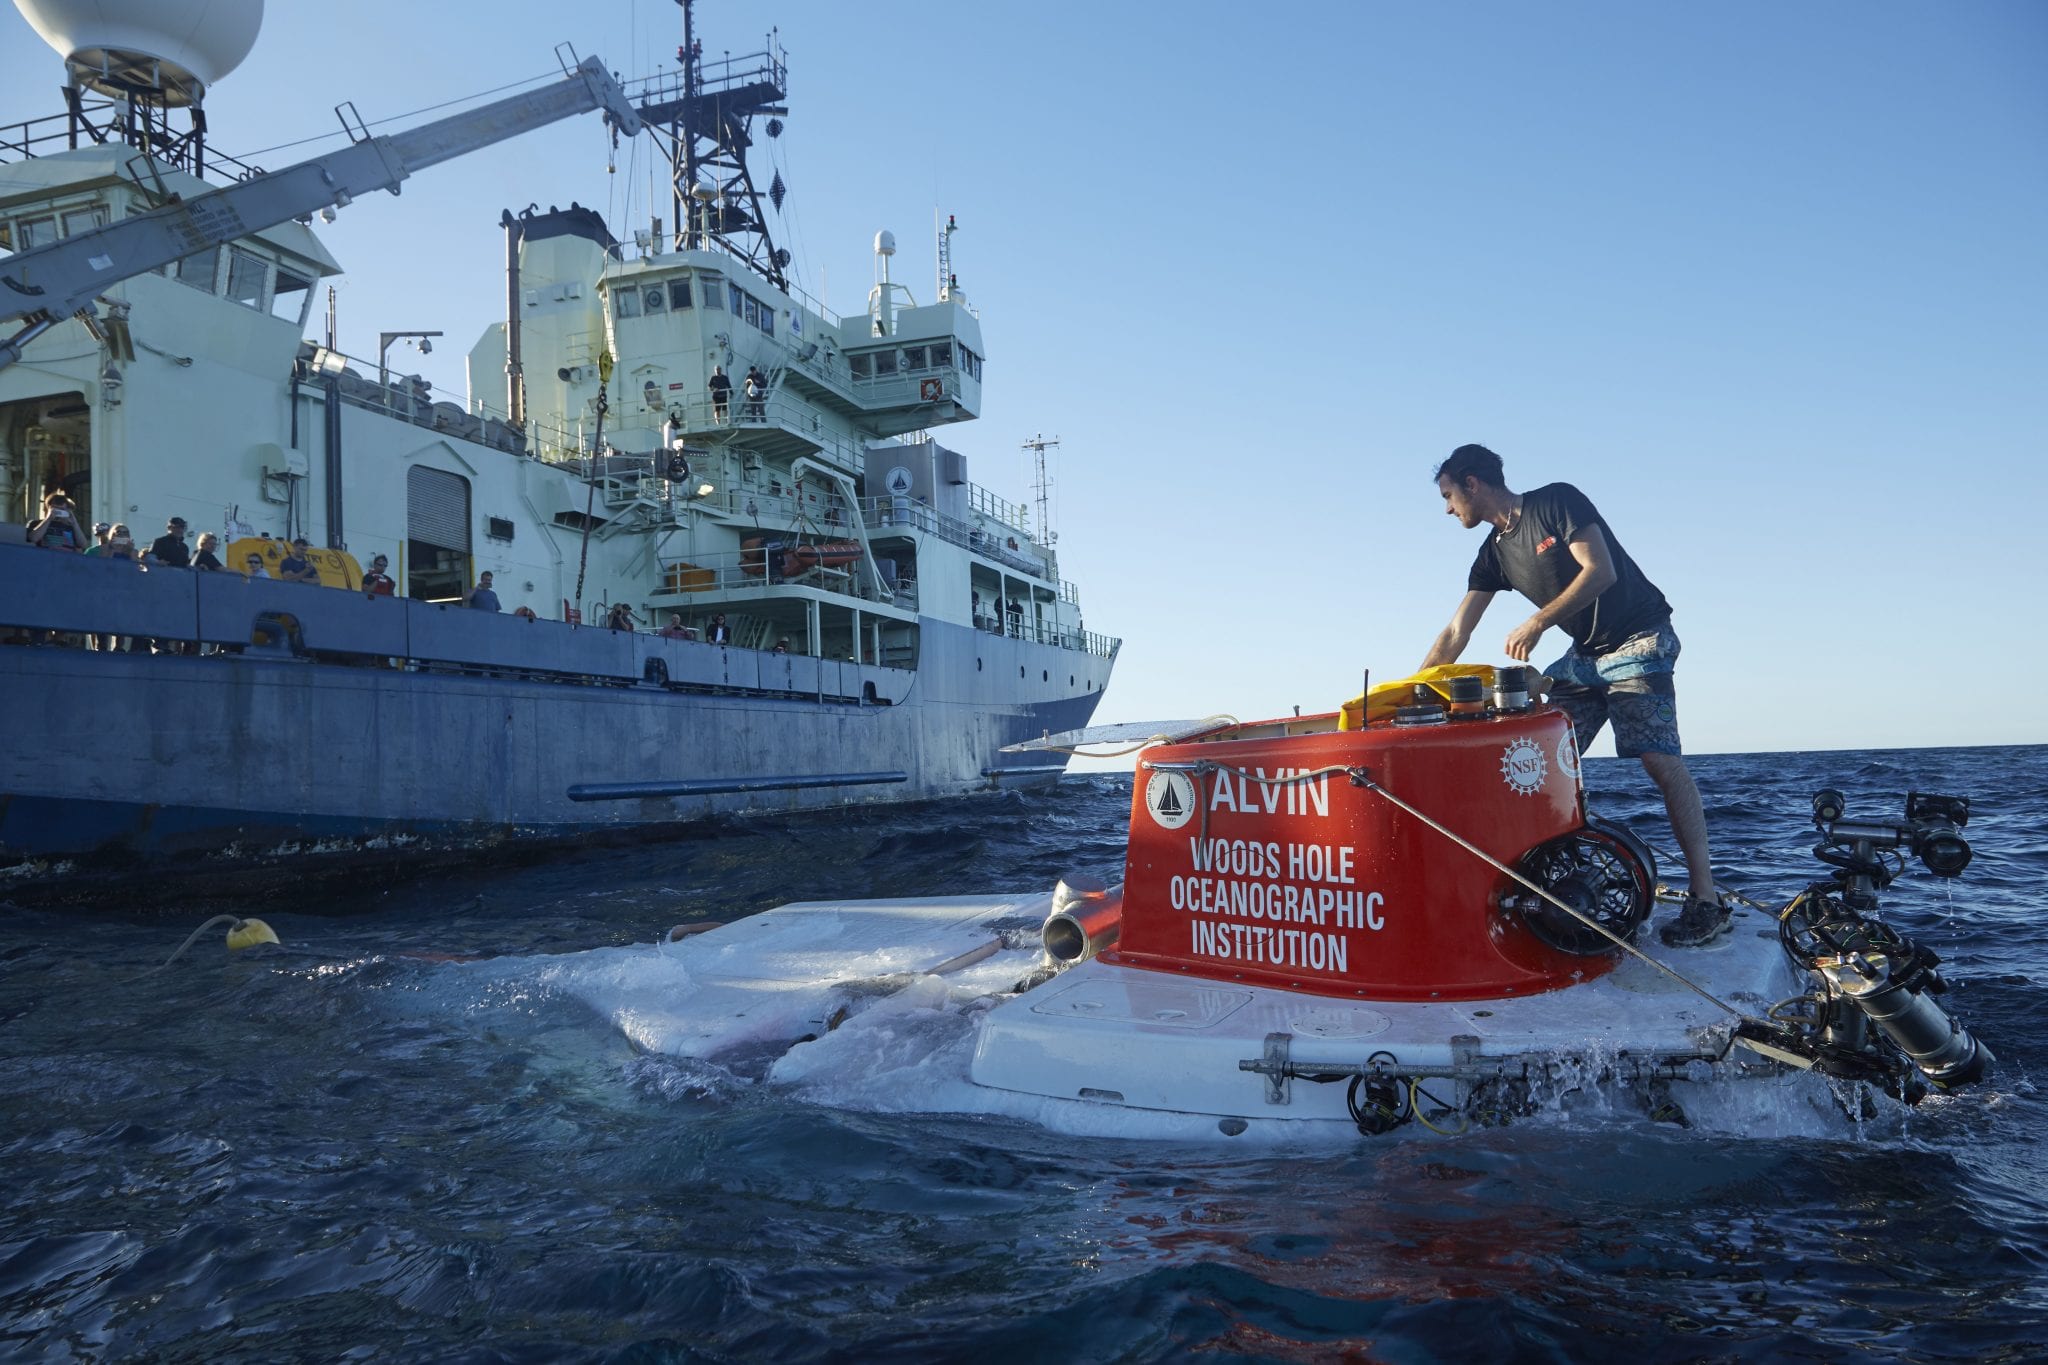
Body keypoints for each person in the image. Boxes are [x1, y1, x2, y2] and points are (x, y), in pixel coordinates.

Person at [1420, 442, 1725, 947]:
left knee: (1659, 761)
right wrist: (1407, 692)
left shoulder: (1556, 501)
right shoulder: (1492, 554)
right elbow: (1455, 635)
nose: (1448, 508)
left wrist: (1538, 621)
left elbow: (1599, 570)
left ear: (1472, 483)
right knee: (1534, 756)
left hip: (1640, 636)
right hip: (1586, 655)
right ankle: (1554, 882)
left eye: (1450, 495)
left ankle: (1707, 900)